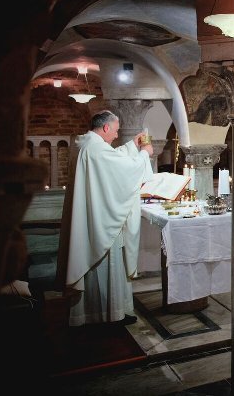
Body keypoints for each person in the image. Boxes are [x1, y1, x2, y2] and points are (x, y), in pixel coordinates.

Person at [66, 110, 154, 326]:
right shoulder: (95, 148)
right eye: (115, 131)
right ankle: (107, 315)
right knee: (107, 265)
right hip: (102, 221)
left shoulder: (87, 144)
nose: (116, 136)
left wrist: (133, 145)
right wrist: (144, 154)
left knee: (111, 268)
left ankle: (116, 311)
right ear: (105, 128)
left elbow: (114, 159)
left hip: (95, 214)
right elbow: (123, 170)